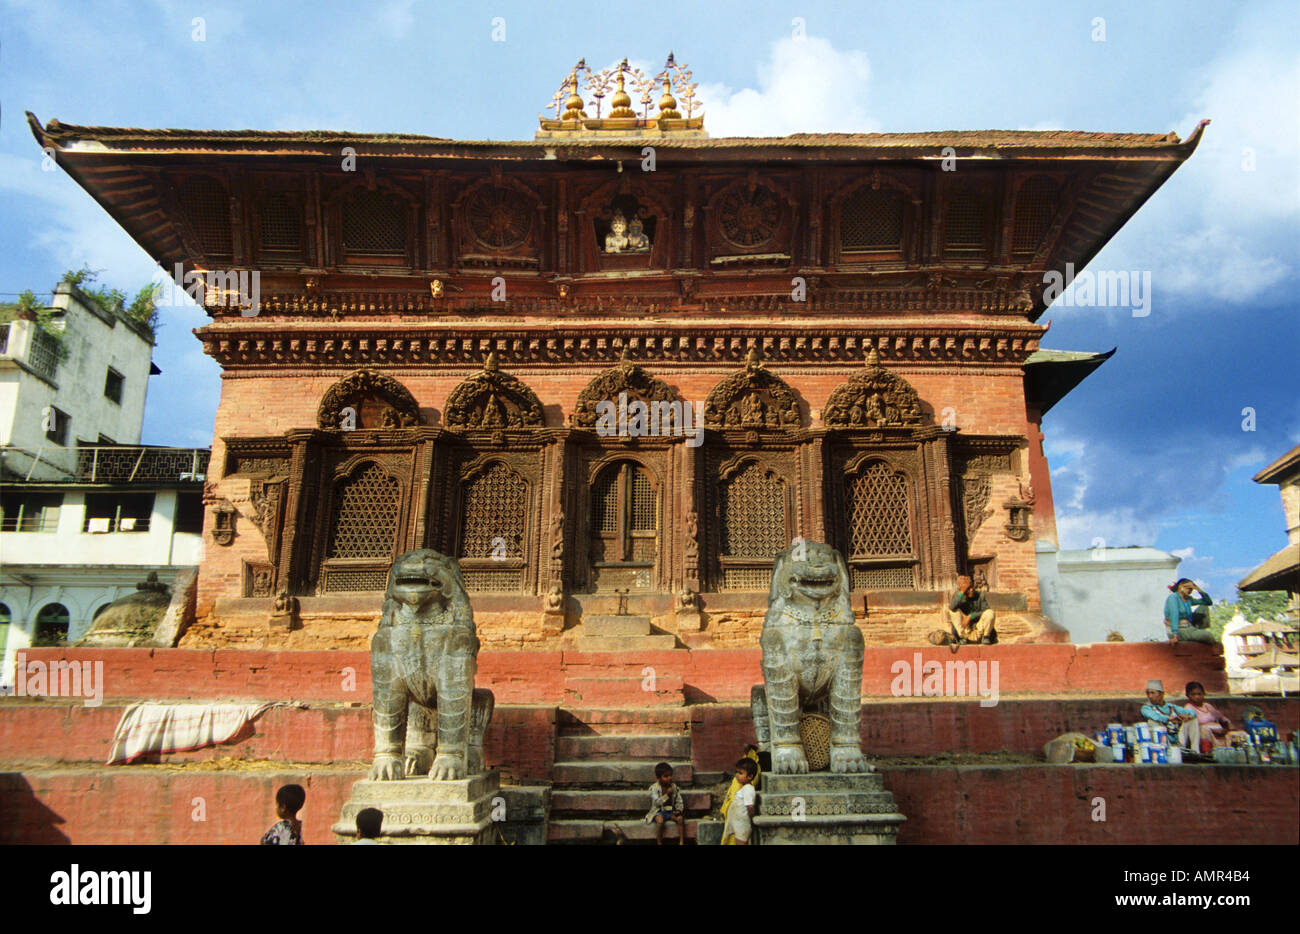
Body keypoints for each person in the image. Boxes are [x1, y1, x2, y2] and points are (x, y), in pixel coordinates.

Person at [929, 575, 996, 651]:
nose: (971, 590)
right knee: (953, 611)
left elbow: (985, 611)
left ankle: (986, 637)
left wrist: (971, 616)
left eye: (972, 587)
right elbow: (952, 607)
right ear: (962, 590)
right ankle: (962, 637)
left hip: (978, 629)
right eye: (968, 589)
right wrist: (962, 592)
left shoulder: (980, 595)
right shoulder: (959, 596)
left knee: (990, 613)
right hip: (964, 631)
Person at [1139, 679, 1199, 751]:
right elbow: (1154, 716)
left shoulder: (1171, 707)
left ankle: (1196, 751)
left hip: (1179, 738)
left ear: (1162, 694)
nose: (1150, 696)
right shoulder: (1146, 708)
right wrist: (1169, 719)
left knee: (1192, 720)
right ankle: (1168, 750)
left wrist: (1188, 716)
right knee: (1152, 722)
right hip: (1164, 741)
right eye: (1148, 693)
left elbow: (1192, 712)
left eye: (1152, 693)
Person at [720, 745, 761, 845]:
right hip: (737, 822)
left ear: (750, 776)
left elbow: (749, 806)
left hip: (742, 823)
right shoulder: (743, 788)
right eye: (737, 772)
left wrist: (750, 817)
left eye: (740, 773)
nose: (737, 775)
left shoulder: (748, 789)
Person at [1182, 681, 1232, 754]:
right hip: (1203, 733)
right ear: (1188, 695)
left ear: (1203, 694)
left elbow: (1221, 717)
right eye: (1193, 694)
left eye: (1199, 694)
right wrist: (1213, 730)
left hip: (1219, 732)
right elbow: (1193, 725)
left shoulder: (1207, 706)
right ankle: (1209, 753)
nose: (1197, 697)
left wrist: (1227, 727)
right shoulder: (1188, 708)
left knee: (1239, 734)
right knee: (1204, 730)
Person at [1163, 578, 1217, 645]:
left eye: (1191, 589)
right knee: (1208, 636)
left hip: (1189, 627)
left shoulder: (1188, 599)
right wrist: (1175, 636)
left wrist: (1198, 589)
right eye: (1187, 588)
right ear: (1180, 586)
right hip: (1179, 630)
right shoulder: (1173, 597)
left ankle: (1200, 629)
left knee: (1204, 607)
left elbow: (1208, 602)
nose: (1189, 591)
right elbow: (1174, 615)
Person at [644, 761, 686, 845]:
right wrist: (667, 795)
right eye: (665, 776)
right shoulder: (655, 788)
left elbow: (679, 800)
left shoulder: (673, 787)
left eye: (670, 775)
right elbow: (657, 803)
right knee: (660, 821)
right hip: (659, 811)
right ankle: (659, 842)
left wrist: (679, 810)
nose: (669, 778)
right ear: (658, 778)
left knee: (680, 819)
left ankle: (681, 841)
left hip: (670, 811)